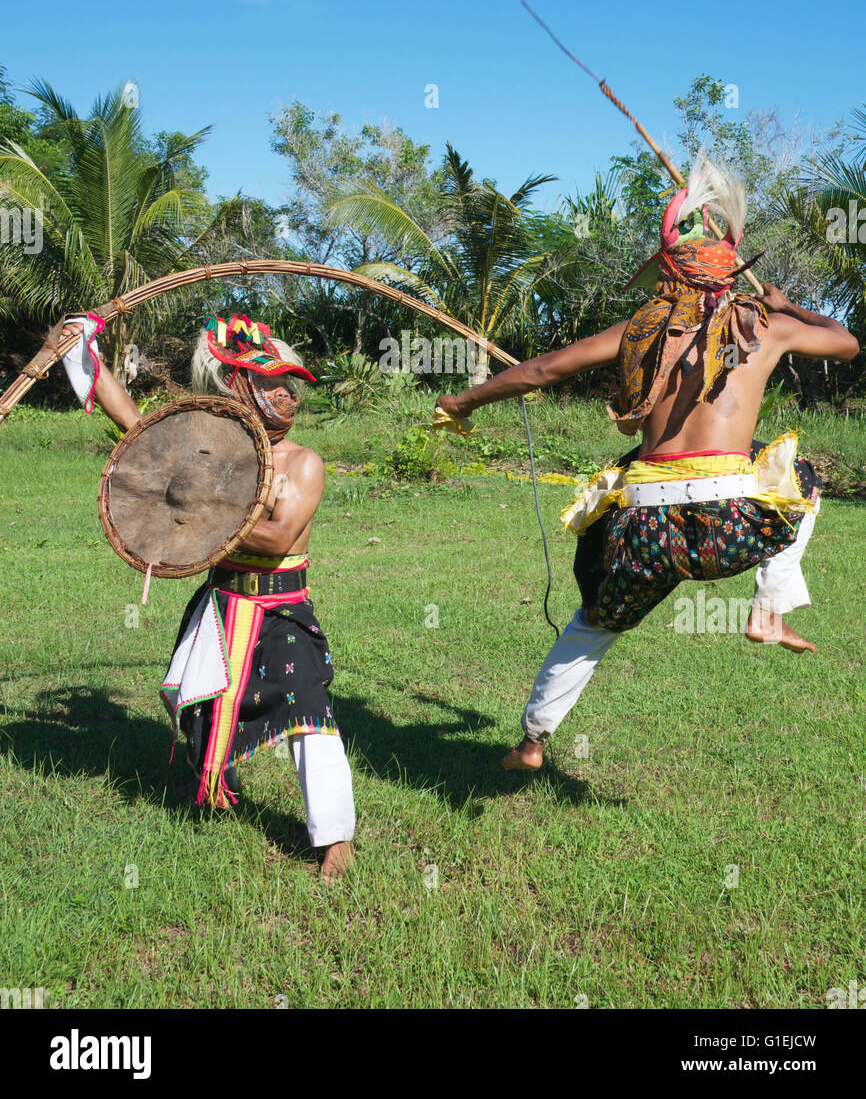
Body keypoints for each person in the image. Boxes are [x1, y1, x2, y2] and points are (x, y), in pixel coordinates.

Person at [436, 155, 859, 771]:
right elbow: (847, 342)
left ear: (668, 268)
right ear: (732, 270)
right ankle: (768, 611)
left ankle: (531, 741)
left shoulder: (638, 328)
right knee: (805, 480)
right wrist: (791, 308)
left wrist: (463, 399)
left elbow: (542, 370)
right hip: (731, 527)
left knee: (594, 623)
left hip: (646, 528)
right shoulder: (766, 327)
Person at [57, 312, 355, 878]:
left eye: (288, 384)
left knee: (307, 712)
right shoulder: (212, 451)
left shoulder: (302, 463)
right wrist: (84, 353)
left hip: (280, 609)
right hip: (221, 604)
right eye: (270, 384)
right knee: (192, 700)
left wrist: (198, 514)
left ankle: (334, 838)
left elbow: (276, 536)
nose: (286, 396)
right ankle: (221, 786)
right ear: (236, 386)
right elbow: (135, 426)